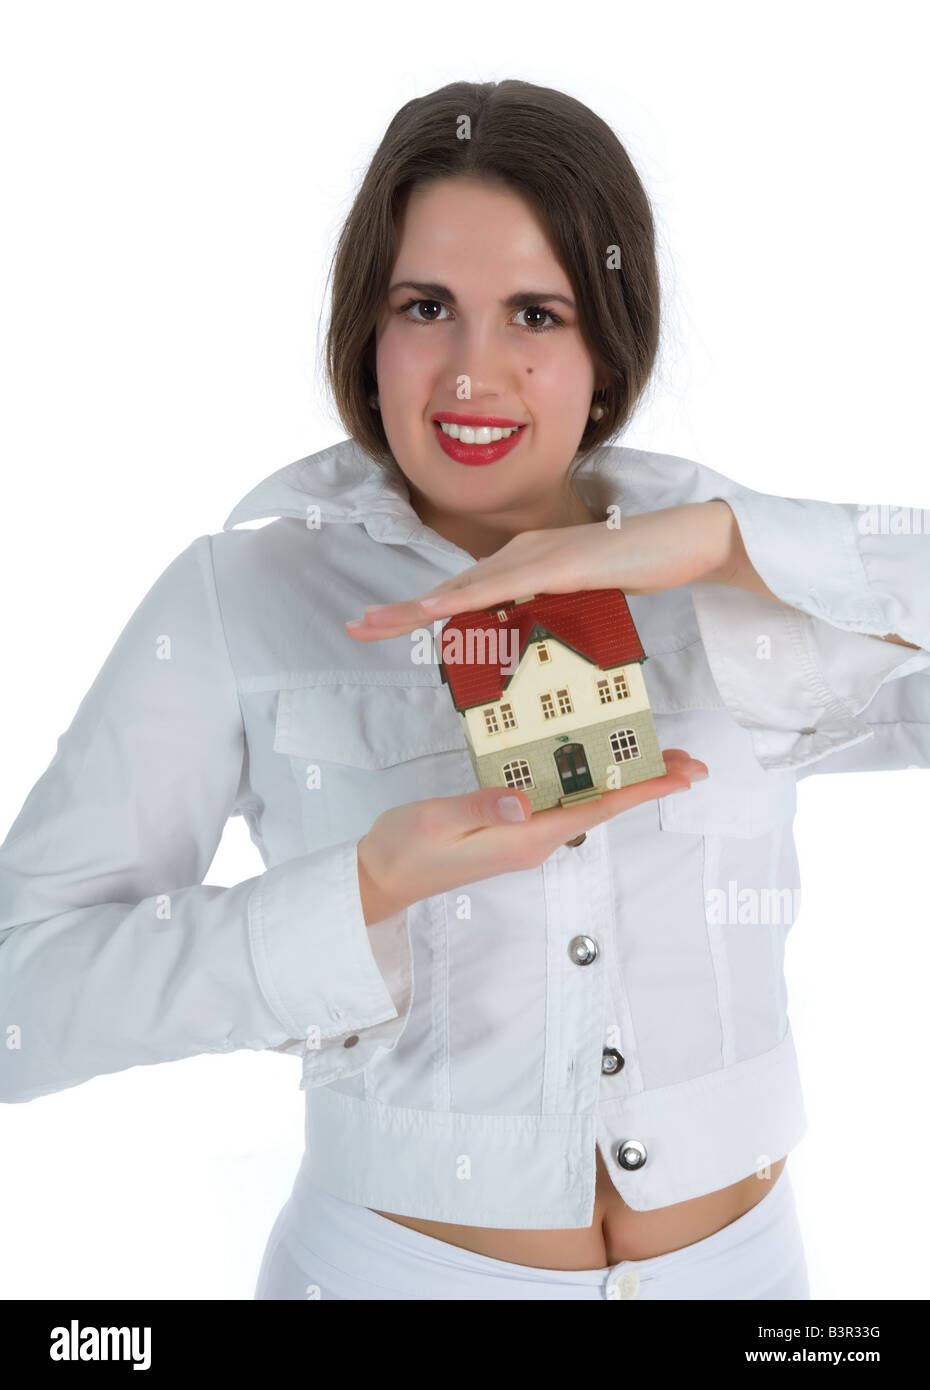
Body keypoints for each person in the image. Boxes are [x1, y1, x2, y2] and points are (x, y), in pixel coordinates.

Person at [2, 80, 928, 1302]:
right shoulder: (239, 595)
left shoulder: (736, 566)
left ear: (608, 343)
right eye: (425, 306)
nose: (471, 372)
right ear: (366, 331)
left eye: (535, 313)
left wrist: (714, 544)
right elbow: (24, 996)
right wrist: (363, 889)